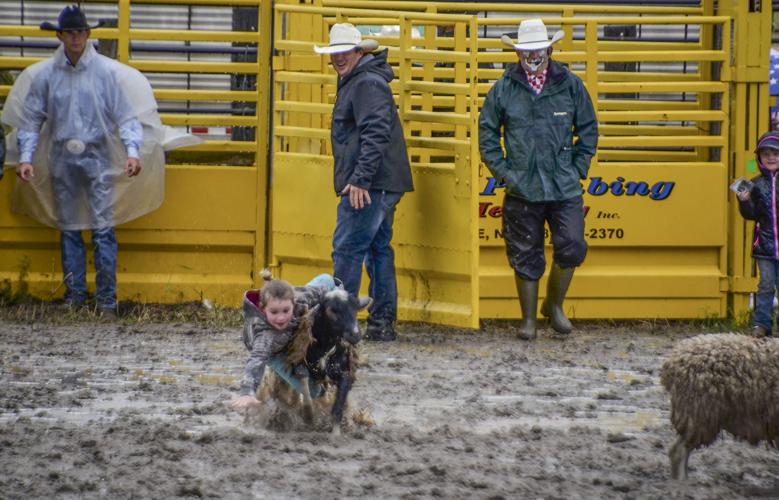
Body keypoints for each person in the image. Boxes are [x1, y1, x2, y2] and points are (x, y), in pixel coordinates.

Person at [1, 5, 165, 319]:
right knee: (69, 230)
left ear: (88, 34)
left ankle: (105, 301)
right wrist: (24, 157)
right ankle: (75, 297)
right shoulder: (47, 76)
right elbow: (31, 120)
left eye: (80, 32)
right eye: (70, 33)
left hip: (99, 159)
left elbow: (125, 117)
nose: (76, 38)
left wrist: (132, 152)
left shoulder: (106, 74)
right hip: (63, 161)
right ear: (60, 36)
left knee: (102, 230)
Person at [479, 19, 598, 340]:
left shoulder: (571, 85)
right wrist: (504, 172)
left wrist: (577, 168)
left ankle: (554, 305)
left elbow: (588, 129)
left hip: (564, 186)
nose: (533, 56)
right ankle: (528, 319)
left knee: (572, 245)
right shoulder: (503, 88)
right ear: (518, 53)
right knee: (524, 252)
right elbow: (487, 132)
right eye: (526, 51)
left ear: (550, 49)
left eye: (538, 50)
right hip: (521, 188)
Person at [313, 23, 414, 342]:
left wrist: (359, 180)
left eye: (344, 52)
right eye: (335, 53)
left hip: (370, 183)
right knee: (376, 249)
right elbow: (376, 132)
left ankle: (340, 325)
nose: (338, 58)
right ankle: (381, 321)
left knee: (348, 249)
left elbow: (374, 134)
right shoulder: (366, 80)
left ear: (359, 52)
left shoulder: (364, 83)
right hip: (383, 180)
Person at [230, 273, 334, 411]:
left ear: (293, 303)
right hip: (276, 353)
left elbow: (324, 290)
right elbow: (257, 360)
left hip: (294, 329)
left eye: (286, 310)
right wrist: (247, 392)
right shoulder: (265, 335)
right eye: (274, 312)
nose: (280, 318)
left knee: (327, 279)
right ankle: (282, 381)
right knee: (313, 391)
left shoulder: (301, 300)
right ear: (263, 308)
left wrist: (341, 297)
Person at [737, 131, 779, 338]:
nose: (771, 157)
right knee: (765, 285)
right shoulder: (754, 184)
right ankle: (761, 324)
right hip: (764, 246)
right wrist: (744, 201)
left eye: (775, 153)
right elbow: (750, 215)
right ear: (759, 158)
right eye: (766, 154)